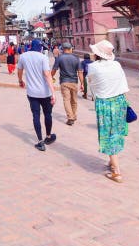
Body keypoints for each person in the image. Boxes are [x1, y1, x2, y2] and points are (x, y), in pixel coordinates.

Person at [87, 40, 130, 183]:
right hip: (120, 101)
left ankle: (117, 172)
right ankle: (112, 162)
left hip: (105, 103)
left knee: (108, 134)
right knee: (117, 132)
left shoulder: (93, 67)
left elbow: (92, 84)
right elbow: (123, 84)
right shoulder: (116, 65)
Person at [17, 39, 57, 151]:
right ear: (40, 47)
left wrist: (20, 81)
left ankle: (40, 142)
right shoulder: (43, 57)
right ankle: (48, 136)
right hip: (45, 93)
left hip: (32, 92)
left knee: (36, 115)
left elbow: (19, 70)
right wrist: (53, 93)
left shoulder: (23, 56)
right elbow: (47, 75)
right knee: (48, 114)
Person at [51, 42, 82, 125]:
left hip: (64, 82)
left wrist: (50, 77)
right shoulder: (76, 58)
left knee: (66, 100)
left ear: (63, 49)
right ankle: (73, 116)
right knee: (74, 100)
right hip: (74, 82)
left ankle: (70, 117)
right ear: (71, 48)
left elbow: (54, 69)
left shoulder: (59, 58)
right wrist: (82, 83)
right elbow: (80, 72)